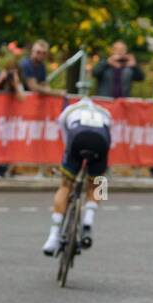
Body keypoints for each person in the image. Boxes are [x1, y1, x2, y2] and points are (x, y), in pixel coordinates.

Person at [42, 95, 112, 256]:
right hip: (101, 140)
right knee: (99, 182)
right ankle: (88, 221)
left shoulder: (68, 111)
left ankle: (53, 237)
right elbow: (110, 139)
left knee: (65, 185)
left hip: (77, 138)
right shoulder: (105, 112)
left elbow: (67, 140)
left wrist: (72, 168)